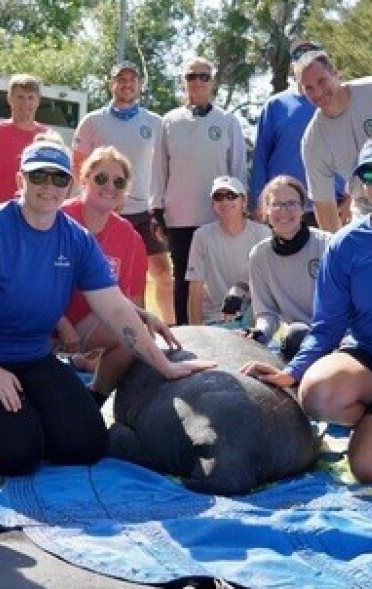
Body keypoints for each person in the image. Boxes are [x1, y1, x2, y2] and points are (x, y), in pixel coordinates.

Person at [0, 140, 214, 478]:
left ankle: (19, 420)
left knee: (86, 445)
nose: (48, 186)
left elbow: (116, 309)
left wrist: (164, 365)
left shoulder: (77, 240)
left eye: (58, 178)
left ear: (69, 185)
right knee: (17, 455)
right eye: (38, 176)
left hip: (31, 357)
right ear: (20, 180)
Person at [242, 138, 372, 482]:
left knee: (370, 468)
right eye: (369, 173)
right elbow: (327, 324)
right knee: (317, 394)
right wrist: (293, 371)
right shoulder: (346, 244)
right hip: (369, 357)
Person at [71, 62, 172, 324]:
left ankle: (170, 329)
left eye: (132, 79)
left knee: (161, 272)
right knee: (105, 273)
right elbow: (78, 164)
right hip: (103, 211)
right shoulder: (92, 121)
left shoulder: (156, 122)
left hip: (144, 210)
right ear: (111, 84)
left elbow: (166, 166)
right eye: (121, 79)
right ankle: (101, 325)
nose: (127, 84)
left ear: (139, 85)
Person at [150, 56, 247, 326]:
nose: (198, 82)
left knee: (219, 277)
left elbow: (238, 168)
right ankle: (185, 334)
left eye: (204, 76)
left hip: (217, 214)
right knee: (183, 277)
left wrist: (239, 206)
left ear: (212, 81)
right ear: (183, 81)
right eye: (191, 76)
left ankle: (229, 331)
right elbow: (159, 169)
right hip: (179, 216)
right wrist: (156, 209)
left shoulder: (228, 121)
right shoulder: (169, 122)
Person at [55, 146, 148, 404]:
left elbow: (126, 301)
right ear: (84, 180)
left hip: (85, 327)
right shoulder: (58, 217)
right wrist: (63, 326)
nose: (110, 187)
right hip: (40, 320)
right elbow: (29, 286)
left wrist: (144, 326)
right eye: (101, 178)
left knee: (133, 333)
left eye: (119, 182)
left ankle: (97, 398)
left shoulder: (128, 236)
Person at [249, 40, 344, 227]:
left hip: (334, 204)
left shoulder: (339, 99)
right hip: (284, 208)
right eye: (299, 57)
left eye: (312, 55)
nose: (305, 61)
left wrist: (351, 197)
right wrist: (258, 204)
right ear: (292, 65)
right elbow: (260, 157)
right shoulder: (276, 106)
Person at [297, 47, 372, 232]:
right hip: (368, 210)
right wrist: (335, 245)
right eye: (309, 88)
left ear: (335, 73)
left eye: (321, 81)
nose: (318, 92)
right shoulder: (312, 142)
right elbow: (323, 203)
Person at [242, 175, 330, 360]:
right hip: (295, 339)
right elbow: (266, 313)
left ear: (303, 208)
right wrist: (259, 333)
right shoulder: (259, 256)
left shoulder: (328, 245)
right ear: (266, 210)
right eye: (276, 204)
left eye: (291, 203)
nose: (284, 211)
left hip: (334, 334)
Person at [187, 176, 271, 326]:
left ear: (244, 201)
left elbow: (269, 283)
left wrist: (241, 290)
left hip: (255, 317)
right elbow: (195, 287)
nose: (225, 201)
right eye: (218, 197)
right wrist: (196, 330)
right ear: (213, 204)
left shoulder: (263, 234)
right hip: (215, 319)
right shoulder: (201, 236)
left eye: (231, 196)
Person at [0, 74, 49, 208]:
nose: (25, 103)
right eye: (20, 97)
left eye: (30, 98)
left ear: (38, 101)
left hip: (37, 216)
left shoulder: (48, 138)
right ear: (9, 99)